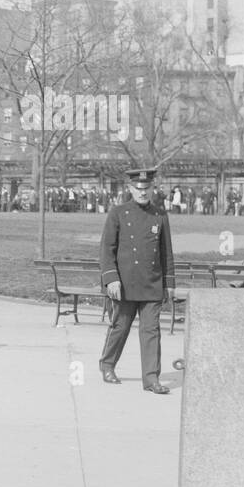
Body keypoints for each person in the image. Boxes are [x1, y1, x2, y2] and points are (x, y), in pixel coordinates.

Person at [99, 168, 175, 393]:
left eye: (147, 188)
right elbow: (106, 249)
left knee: (151, 331)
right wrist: (111, 278)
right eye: (138, 188)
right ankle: (108, 365)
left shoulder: (160, 215)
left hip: (152, 284)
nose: (143, 192)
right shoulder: (118, 213)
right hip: (124, 284)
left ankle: (151, 379)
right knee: (120, 327)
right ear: (130, 188)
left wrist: (169, 284)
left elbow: (166, 252)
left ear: (153, 188)